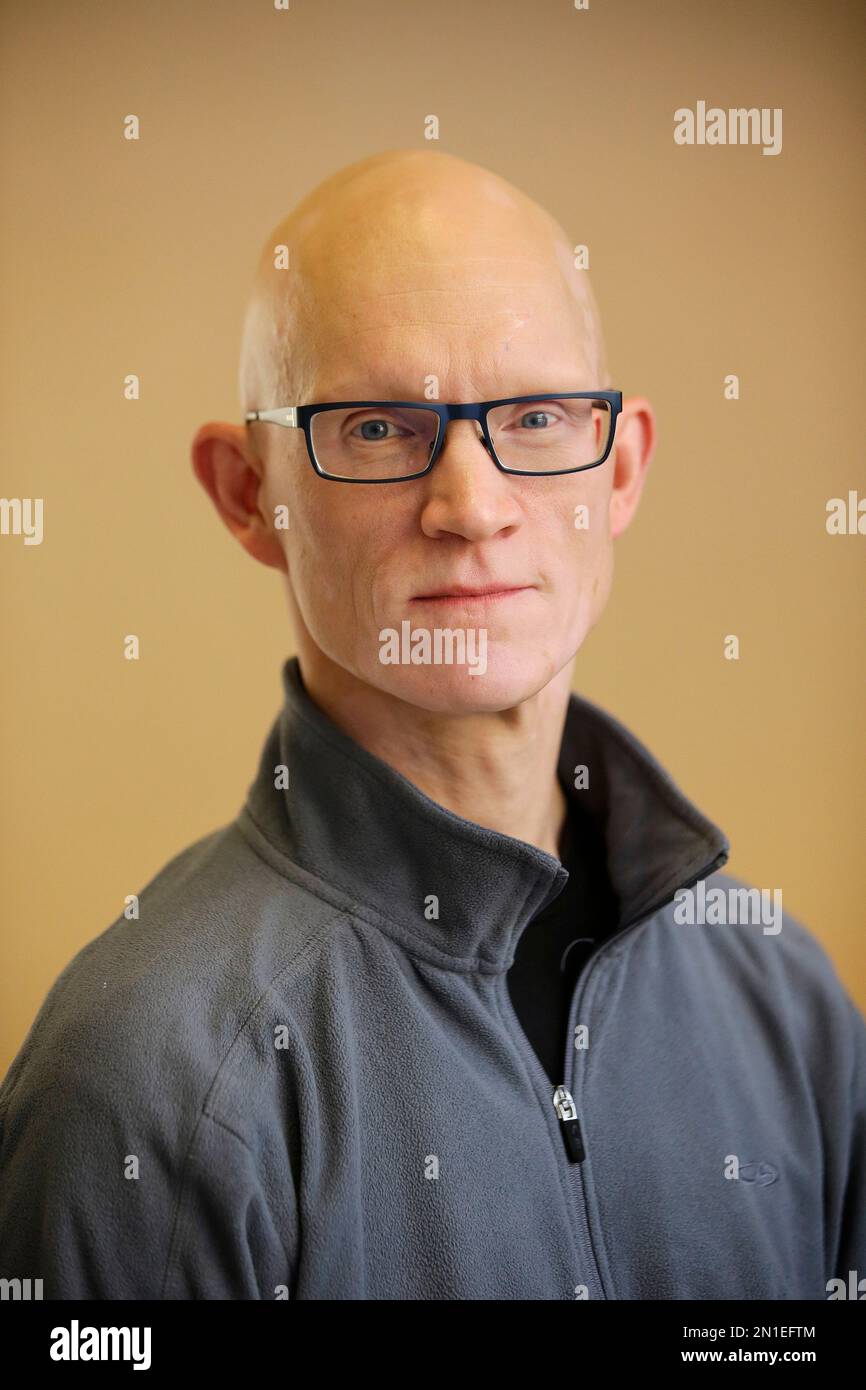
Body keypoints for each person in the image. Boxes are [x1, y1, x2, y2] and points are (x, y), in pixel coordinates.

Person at [1, 149, 863, 1300]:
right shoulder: (143, 1073)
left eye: (540, 415)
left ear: (618, 472)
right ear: (246, 491)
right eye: (375, 428)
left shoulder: (790, 1004)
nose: (470, 507)